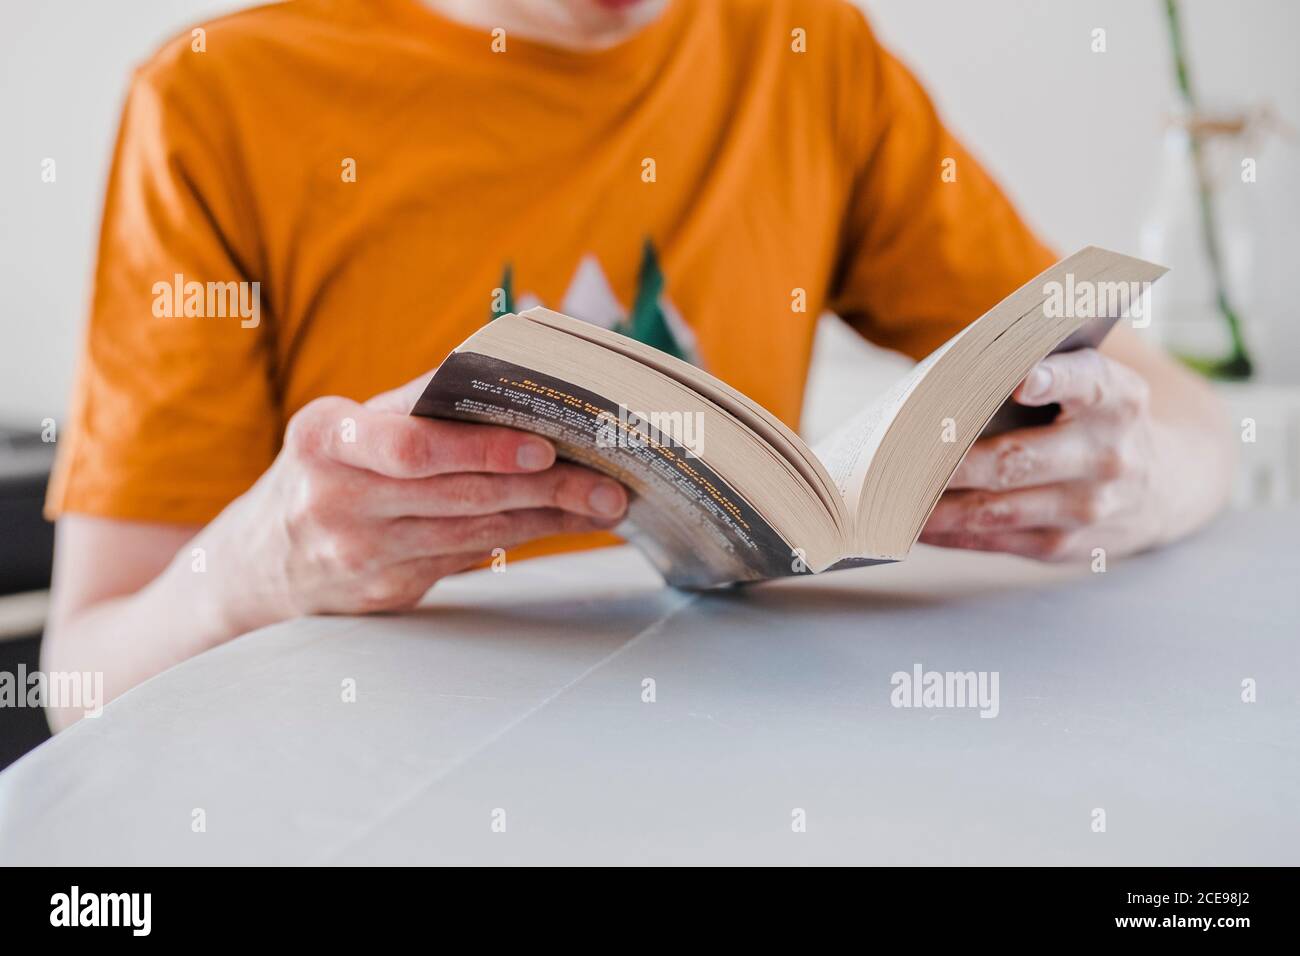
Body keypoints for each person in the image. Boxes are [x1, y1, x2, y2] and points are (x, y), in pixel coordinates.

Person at [42, 0, 1233, 728]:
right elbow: (78, 681)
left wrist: (1154, 478)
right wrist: (262, 565)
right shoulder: (214, 100)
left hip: (747, 758)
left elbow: (1165, 393)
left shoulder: (808, 49)